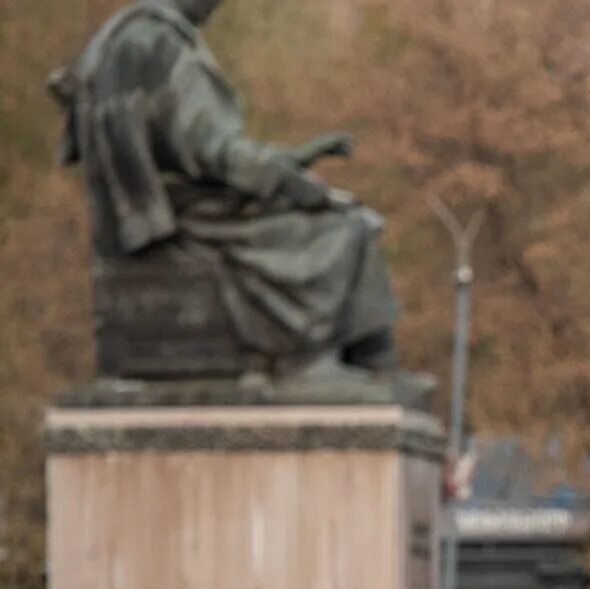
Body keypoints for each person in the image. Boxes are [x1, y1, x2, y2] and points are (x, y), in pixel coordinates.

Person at [51, 0, 399, 375]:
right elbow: (212, 152)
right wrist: (284, 174)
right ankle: (309, 357)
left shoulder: (132, 37)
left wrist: (291, 162)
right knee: (345, 229)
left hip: (185, 202)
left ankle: (370, 371)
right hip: (189, 213)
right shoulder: (153, 44)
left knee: (343, 218)